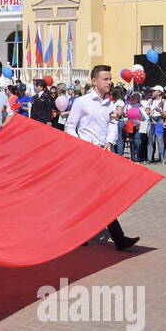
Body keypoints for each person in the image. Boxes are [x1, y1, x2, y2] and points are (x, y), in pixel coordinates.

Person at [62, 65, 140, 251]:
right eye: (105, 79)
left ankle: (80, 235)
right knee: (99, 197)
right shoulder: (82, 102)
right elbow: (69, 127)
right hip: (85, 155)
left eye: (110, 78)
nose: (109, 82)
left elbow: (113, 125)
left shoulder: (110, 104)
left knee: (93, 197)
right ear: (94, 81)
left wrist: (109, 142)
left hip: (103, 155)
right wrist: (82, 144)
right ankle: (117, 238)